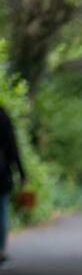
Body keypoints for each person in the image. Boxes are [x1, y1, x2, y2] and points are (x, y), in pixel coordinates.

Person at [0, 105, 26, 266]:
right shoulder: (3, 116)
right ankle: (1, 249)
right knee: (2, 211)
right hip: (2, 174)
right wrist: (21, 173)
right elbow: (13, 147)